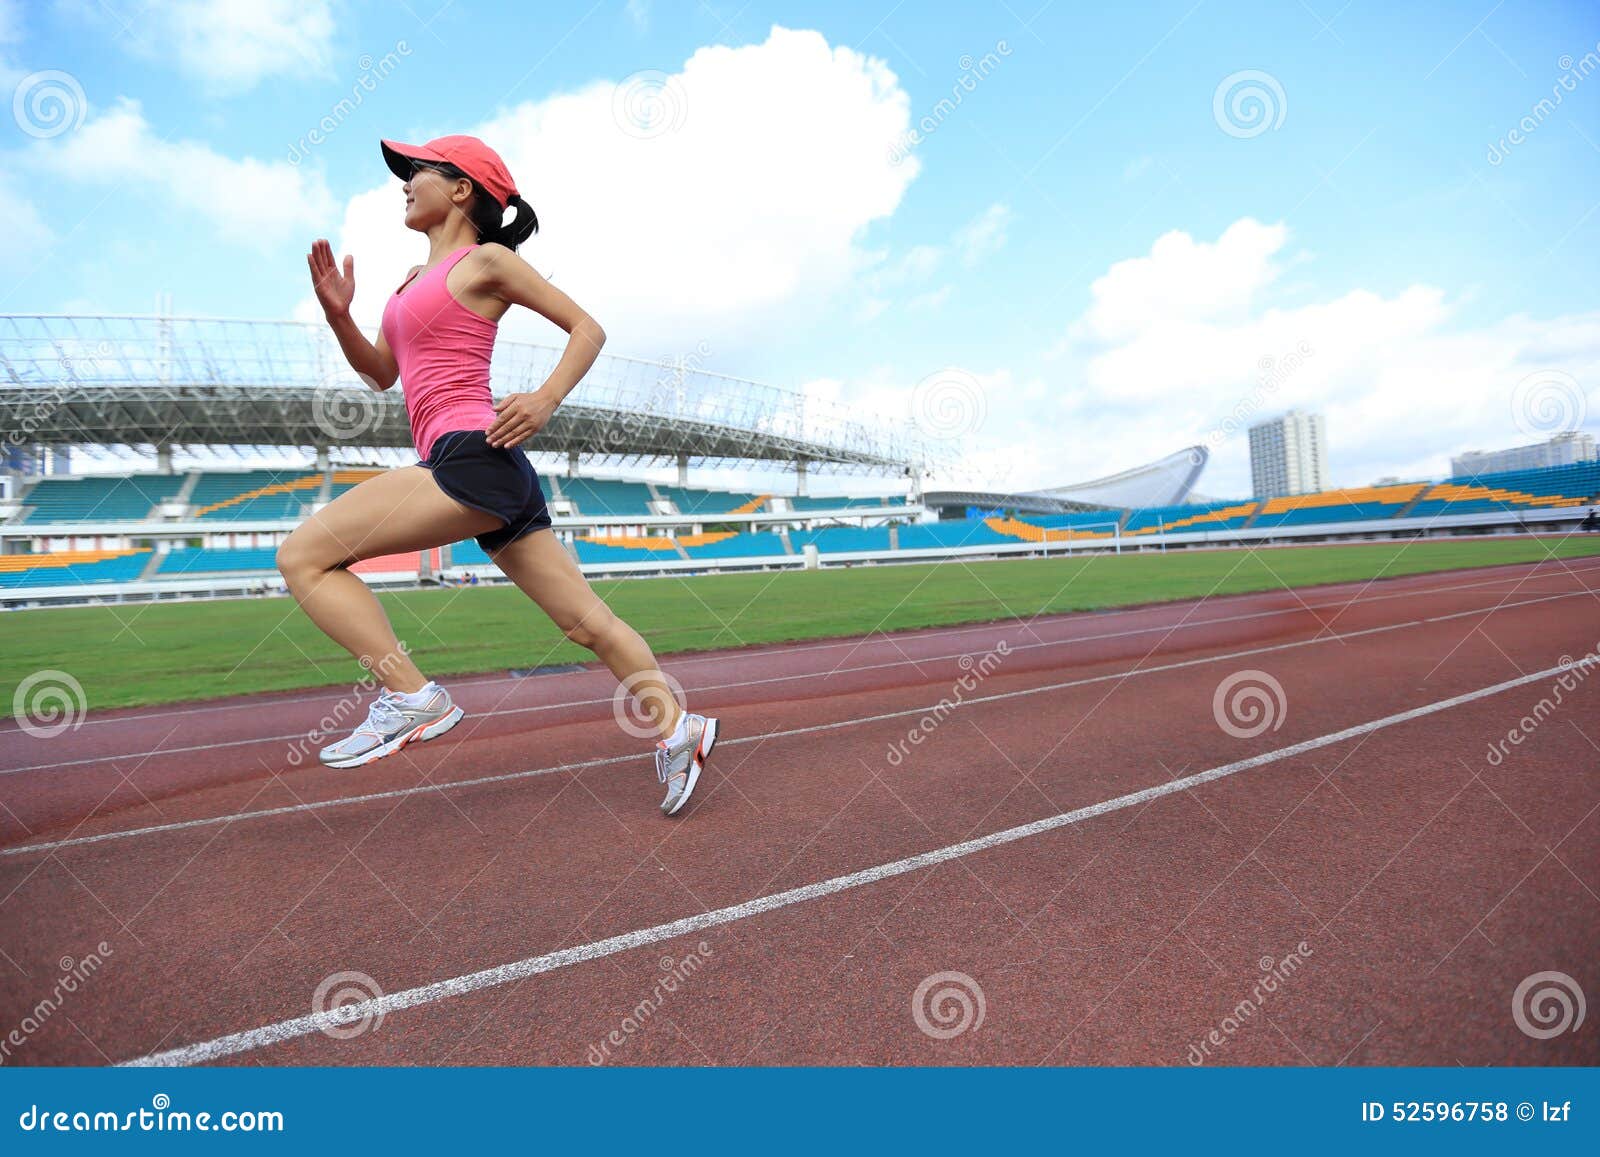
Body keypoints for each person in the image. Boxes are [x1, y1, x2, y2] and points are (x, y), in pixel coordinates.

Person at [279, 134, 716, 816]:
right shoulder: (407, 283)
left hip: (471, 456)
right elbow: (381, 374)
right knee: (588, 623)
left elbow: (587, 328)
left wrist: (544, 399)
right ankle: (677, 727)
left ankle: (411, 696)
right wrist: (340, 317)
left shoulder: (487, 261)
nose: (405, 182)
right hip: (485, 469)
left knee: (303, 556)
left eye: (418, 170)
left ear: (462, 189)